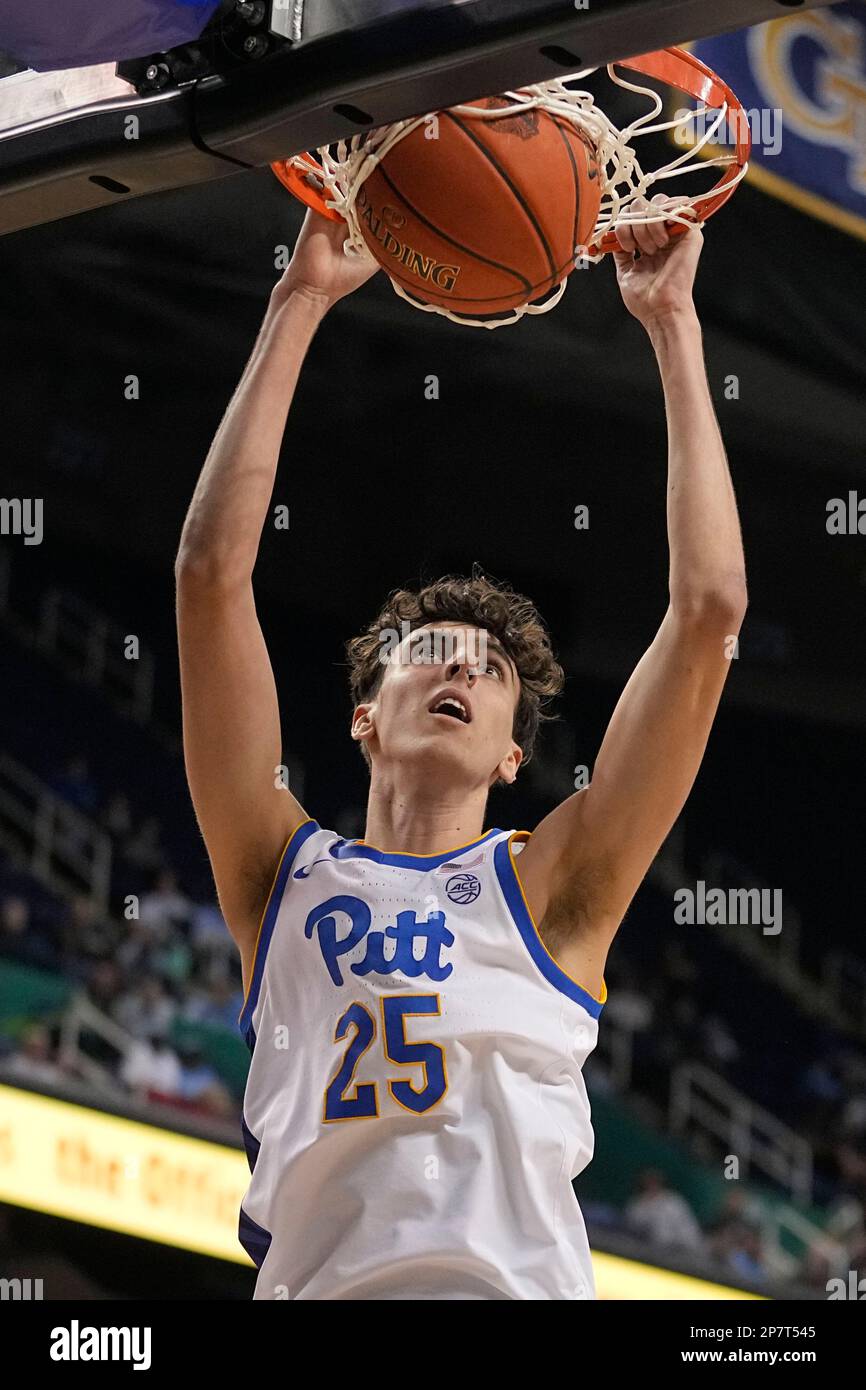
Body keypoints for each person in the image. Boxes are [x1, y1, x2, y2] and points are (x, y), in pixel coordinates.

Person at [175, 197, 747, 1300]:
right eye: (429, 653)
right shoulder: (276, 869)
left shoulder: (554, 888)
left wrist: (671, 325)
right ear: (362, 715)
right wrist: (297, 302)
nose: (458, 671)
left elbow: (709, 610)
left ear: (507, 761)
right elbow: (207, 580)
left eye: (486, 673)